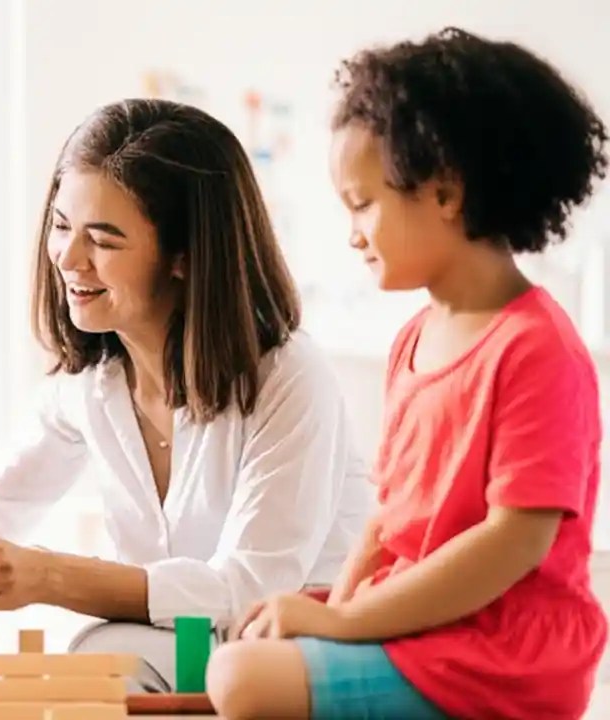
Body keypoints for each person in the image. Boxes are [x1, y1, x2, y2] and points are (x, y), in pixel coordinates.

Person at [206, 27, 609, 720]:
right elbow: (388, 519)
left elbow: (514, 543)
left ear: (446, 193)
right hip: (427, 626)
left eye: (363, 204)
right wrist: (340, 604)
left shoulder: (536, 348)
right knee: (246, 636)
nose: (353, 233)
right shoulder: (413, 342)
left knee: (242, 680)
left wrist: (347, 624)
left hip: (501, 651)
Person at [0, 98, 372, 692]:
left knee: (96, 666)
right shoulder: (86, 389)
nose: (68, 257)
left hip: (293, 661)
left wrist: (48, 577)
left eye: (104, 240)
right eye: (61, 227)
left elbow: (249, 588)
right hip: (179, 657)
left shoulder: (289, 376)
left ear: (185, 257)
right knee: (86, 670)